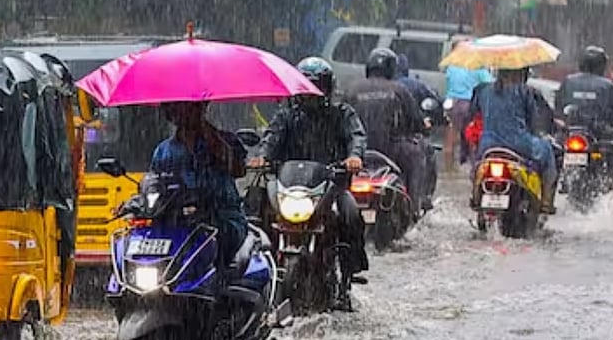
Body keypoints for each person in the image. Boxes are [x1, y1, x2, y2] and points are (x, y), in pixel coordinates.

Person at [248, 57, 369, 287]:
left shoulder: (342, 114)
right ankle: (256, 263)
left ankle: (349, 270)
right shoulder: (286, 116)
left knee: (350, 212)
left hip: (330, 185)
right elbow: (271, 138)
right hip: (289, 187)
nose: (313, 92)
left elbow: (356, 136)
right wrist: (263, 157)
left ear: (328, 87)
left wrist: (354, 157)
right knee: (256, 204)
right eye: (307, 85)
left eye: (318, 85)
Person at [150, 101, 249, 266]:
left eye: (189, 107)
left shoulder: (225, 140)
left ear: (202, 108)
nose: (179, 113)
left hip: (221, 219)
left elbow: (238, 169)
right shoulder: (163, 151)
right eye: (173, 108)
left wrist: (212, 139)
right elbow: (154, 184)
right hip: (178, 223)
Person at [346, 48, 429, 220]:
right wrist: (423, 127)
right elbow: (416, 121)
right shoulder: (399, 90)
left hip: (356, 154)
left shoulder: (352, 90)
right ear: (392, 69)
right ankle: (413, 209)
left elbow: (341, 122)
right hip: (392, 152)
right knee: (418, 154)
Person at [473, 67, 558, 214]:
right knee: (547, 149)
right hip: (519, 144)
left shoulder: (483, 90)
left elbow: (474, 114)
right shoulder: (525, 91)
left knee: (476, 164)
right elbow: (534, 122)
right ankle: (546, 200)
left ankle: (474, 195)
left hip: (488, 144)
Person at [396, 53, 442, 210]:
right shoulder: (411, 86)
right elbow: (433, 103)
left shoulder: (365, 88)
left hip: (375, 143)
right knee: (424, 156)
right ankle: (420, 200)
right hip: (406, 139)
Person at [556, 46, 613, 132]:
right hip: (600, 133)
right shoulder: (607, 86)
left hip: (570, 130)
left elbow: (558, 105)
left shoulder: (568, 81)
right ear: (602, 65)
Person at [445, 62, 495, 166]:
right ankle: (473, 165)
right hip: (468, 103)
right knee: (470, 134)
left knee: (452, 133)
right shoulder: (477, 68)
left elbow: (449, 81)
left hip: (450, 103)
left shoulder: (451, 67)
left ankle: (449, 167)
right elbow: (491, 83)